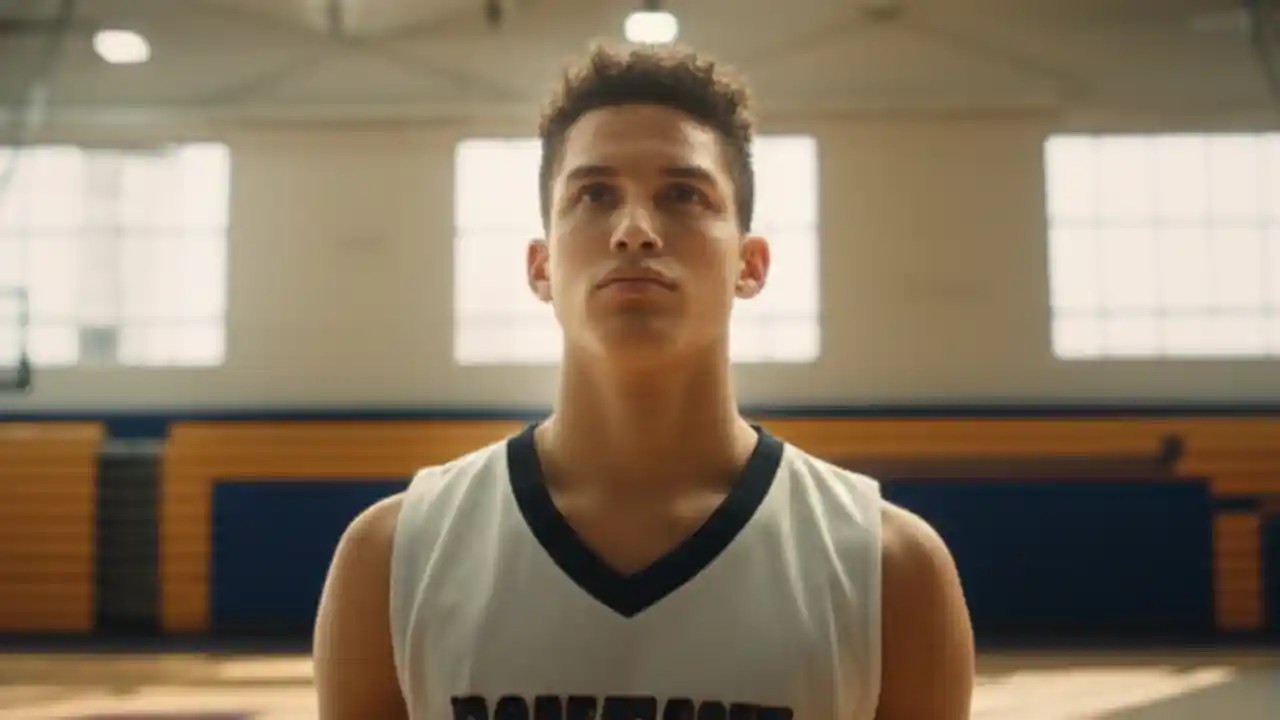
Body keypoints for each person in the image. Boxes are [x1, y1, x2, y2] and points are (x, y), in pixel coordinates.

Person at [313, 42, 974, 720]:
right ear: (540, 267)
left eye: (682, 195)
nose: (634, 230)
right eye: (594, 195)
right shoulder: (396, 556)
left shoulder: (888, 566)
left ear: (750, 264)